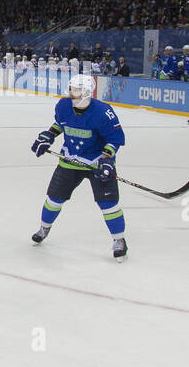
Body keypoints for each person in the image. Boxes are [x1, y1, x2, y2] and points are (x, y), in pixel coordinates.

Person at [29, 74, 127, 261]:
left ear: (86, 92)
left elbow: (114, 139)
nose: (70, 92)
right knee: (54, 199)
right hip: (70, 160)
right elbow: (60, 124)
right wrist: (48, 136)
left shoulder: (103, 112)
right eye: (71, 88)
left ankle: (119, 240)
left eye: (75, 90)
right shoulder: (63, 105)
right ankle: (44, 228)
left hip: (97, 163)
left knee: (108, 205)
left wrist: (107, 160)